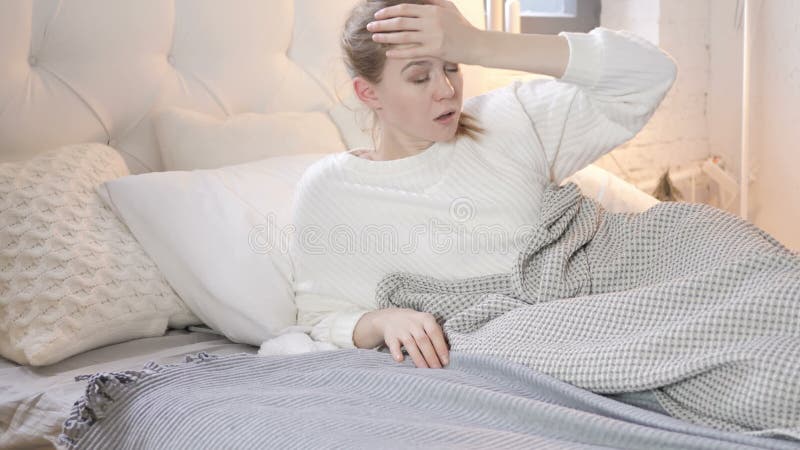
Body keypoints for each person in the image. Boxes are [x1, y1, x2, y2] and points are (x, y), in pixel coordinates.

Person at [288, 0, 677, 369]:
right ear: (368, 93)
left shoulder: (510, 117)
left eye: (453, 66)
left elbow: (652, 73)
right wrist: (381, 321)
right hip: (566, 335)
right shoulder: (332, 189)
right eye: (420, 77)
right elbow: (320, 317)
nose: (445, 89)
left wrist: (478, 43)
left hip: (640, 272)